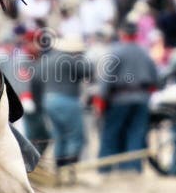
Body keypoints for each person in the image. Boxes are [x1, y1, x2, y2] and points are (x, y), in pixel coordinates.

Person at [95, 21, 159, 174]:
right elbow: (155, 80)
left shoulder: (115, 51)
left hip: (119, 99)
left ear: (122, 33)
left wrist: (101, 100)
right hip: (141, 98)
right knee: (136, 133)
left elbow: (106, 80)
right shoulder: (145, 52)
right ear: (136, 34)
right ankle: (133, 168)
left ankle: (105, 168)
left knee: (111, 133)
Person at [39, 35, 93, 170]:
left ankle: (59, 167)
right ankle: (69, 168)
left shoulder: (47, 59)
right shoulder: (70, 59)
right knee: (75, 136)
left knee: (59, 135)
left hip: (48, 100)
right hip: (66, 100)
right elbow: (88, 71)